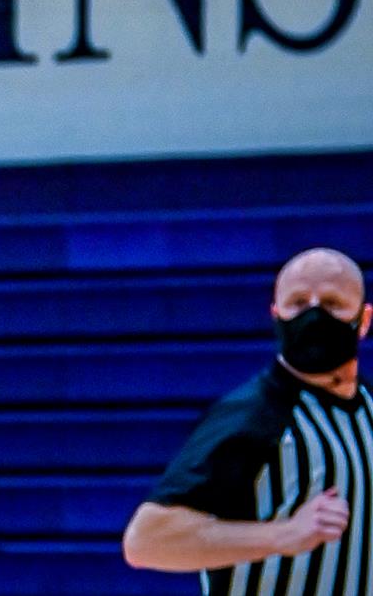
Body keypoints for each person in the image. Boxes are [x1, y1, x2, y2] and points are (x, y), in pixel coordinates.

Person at [122, 247, 372, 596]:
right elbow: (146, 541)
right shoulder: (253, 415)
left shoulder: (369, 412)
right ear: (276, 315)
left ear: (364, 320)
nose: (314, 316)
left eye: (332, 304)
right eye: (298, 303)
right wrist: (282, 535)